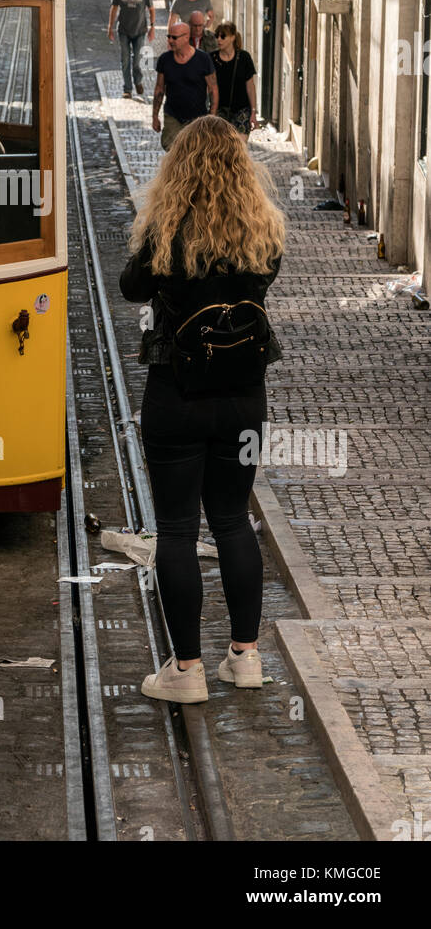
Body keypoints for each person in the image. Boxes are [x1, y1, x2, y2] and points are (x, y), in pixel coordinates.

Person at [119, 115, 285, 703]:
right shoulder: (262, 230)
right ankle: (245, 656)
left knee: (178, 530)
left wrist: (160, 232)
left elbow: (131, 287)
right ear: (242, 168)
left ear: (179, 167)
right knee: (235, 521)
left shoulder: (167, 228)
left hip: (178, 395)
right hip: (242, 398)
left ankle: (185, 672)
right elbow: (262, 280)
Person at [152, 21, 217, 150]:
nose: (170, 40)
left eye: (174, 37)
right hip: (173, 115)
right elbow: (159, 89)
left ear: (186, 37)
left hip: (197, 117)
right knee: (171, 149)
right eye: (169, 37)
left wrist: (212, 116)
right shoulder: (164, 60)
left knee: (195, 152)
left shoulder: (203, 59)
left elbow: (213, 88)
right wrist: (155, 116)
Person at [108, 0, 155, 99]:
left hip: (140, 31)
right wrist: (110, 27)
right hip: (123, 31)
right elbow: (113, 9)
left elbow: (151, 9)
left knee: (137, 60)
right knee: (125, 60)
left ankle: (138, 81)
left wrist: (152, 27)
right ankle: (127, 89)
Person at [213, 22, 257, 141]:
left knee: (240, 147)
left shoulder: (244, 57)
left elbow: (250, 86)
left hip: (242, 109)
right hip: (220, 110)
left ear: (232, 37)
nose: (219, 39)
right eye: (216, 36)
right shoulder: (211, 58)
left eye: (223, 36)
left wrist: (253, 112)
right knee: (222, 147)